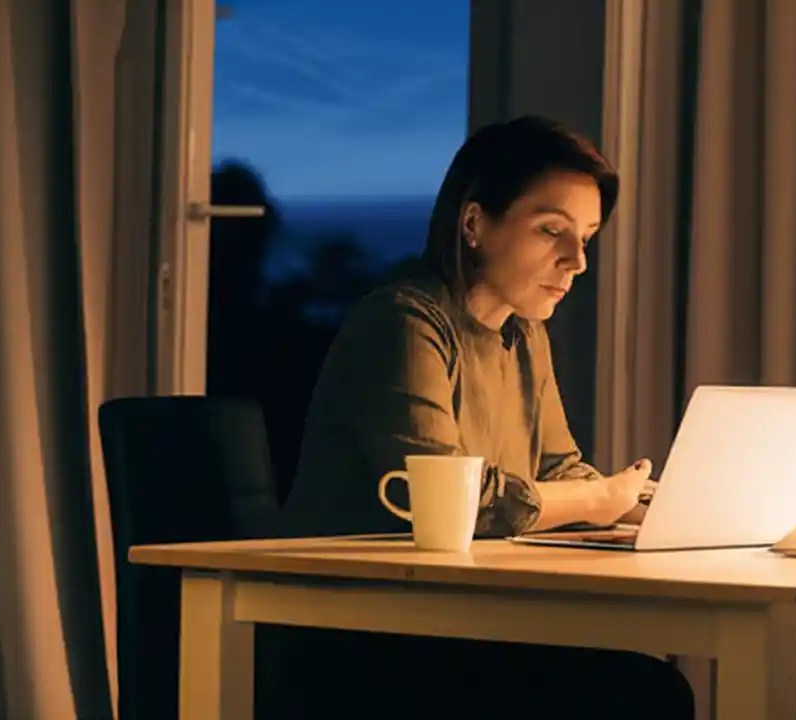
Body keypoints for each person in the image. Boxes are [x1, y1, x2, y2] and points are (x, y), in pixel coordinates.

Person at [266, 116, 694, 719]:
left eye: (587, 239)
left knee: (647, 688)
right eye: (553, 231)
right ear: (474, 223)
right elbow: (454, 497)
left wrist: (662, 508)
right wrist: (600, 501)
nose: (577, 262)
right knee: (637, 695)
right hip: (362, 640)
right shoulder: (403, 321)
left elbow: (558, 468)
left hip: (456, 622)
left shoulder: (524, 333)